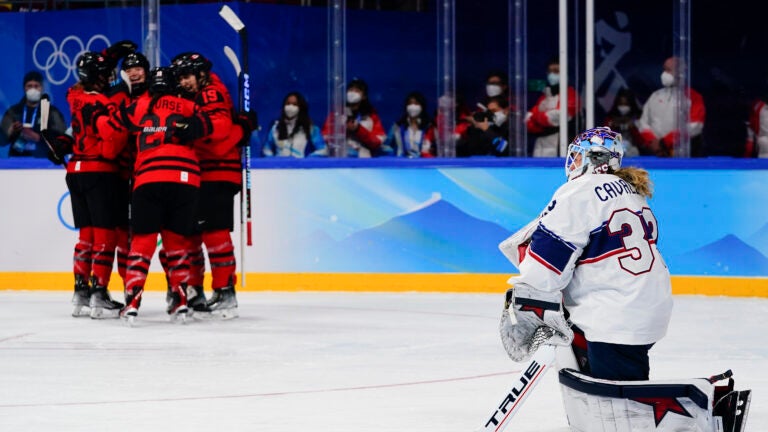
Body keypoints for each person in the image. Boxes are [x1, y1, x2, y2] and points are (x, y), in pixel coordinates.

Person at [498, 126, 672, 381]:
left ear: (590, 158)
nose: (574, 162)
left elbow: (546, 268)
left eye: (578, 156)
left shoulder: (578, 191)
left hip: (614, 315)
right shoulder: (631, 190)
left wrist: (526, 299)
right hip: (646, 305)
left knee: (621, 405)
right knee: (586, 352)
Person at [114, 67, 209, 323]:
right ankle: (180, 301)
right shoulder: (189, 105)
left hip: (149, 177)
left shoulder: (137, 105)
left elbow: (111, 126)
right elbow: (206, 128)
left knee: (142, 243)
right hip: (185, 178)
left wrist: (119, 91)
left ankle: (132, 300)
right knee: (176, 243)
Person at [171, 51, 251, 319]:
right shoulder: (192, 96)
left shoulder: (211, 92)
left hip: (217, 174)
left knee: (214, 234)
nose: (182, 82)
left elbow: (220, 129)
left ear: (201, 74)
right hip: (200, 174)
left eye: (186, 76)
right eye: (179, 77)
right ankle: (196, 290)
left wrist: (195, 127)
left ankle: (225, 290)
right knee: (192, 234)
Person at [62, 51, 127, 318]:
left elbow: (77, 87)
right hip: (98, 171)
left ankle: (81, 292)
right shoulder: (102, 103)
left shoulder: (74, 97)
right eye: (102, 74)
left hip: (75, 169)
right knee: (104, 237)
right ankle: (99, 292)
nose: (106, 79)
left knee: (85, 237)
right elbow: (112, 138)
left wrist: (105, 58)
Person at [636, 56, 706, 157]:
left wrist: (666, 142)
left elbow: (695, 126)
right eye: (664, 69)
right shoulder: (655, 96)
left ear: (681, 73)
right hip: (656, 153)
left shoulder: (693, 97)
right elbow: (643, 123)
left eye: (669, 70)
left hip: (683, 154)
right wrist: (652, 141)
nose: (664, 74)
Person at [0, 71, 66, 158]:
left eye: (36, 86)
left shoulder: (52, 113)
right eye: (29, 86)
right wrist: (10, 131)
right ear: (24, 88)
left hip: (45, 163)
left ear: (42, 88)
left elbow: (63, 141)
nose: (33, 89)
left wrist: (37, 137)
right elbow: (1, 141)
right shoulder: (14, 112)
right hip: (16, 163)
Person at [526, 57, 580, 157]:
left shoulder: (571, 95)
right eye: (550, 71)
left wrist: (537, 116)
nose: (552, 75)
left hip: (559, 147)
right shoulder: (545, 95)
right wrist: (539, 121)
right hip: (539, 147)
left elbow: (556, 117)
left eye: (556, 71)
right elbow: (528, 120)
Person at [322, 78, 387, 157]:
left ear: (364, 96)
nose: (352, 93)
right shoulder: (336, 114)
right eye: (351, 90)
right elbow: (326, 137)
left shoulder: (371, 116)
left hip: (363, 159)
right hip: (340, 158)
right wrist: (343, 129)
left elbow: (377, 141)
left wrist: (358, 129)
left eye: (357, 91)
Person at [262, 91, 326, 157]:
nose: (290, 107)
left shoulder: (310, 128)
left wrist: (307, 161)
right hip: (279, 166)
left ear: (300, 107)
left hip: (300, 166)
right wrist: (272, 161)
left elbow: (323, 150)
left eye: (295, 104)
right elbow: (266, 149)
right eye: (288, 103)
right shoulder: (275, 128)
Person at [384, 91, 435, 158]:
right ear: (406, 106)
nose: (413, 106)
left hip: (423, 164)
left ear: (422, 106)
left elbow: (435, 146)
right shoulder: (397, 126)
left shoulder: (429, 126)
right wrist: (395, 154)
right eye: (410, 103)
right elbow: (385, 146)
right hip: (402, 164)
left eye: (416, 103)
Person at [603, 88, 642, 157]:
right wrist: (612, 127)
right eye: (621, 104)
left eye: (626, 104)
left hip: (632, 150)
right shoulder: (611, 117)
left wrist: (633, 128)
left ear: (631, 104)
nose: (623, 107)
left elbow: (641, 141)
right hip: (614, 150)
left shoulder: (637, 117)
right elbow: (604, 137)